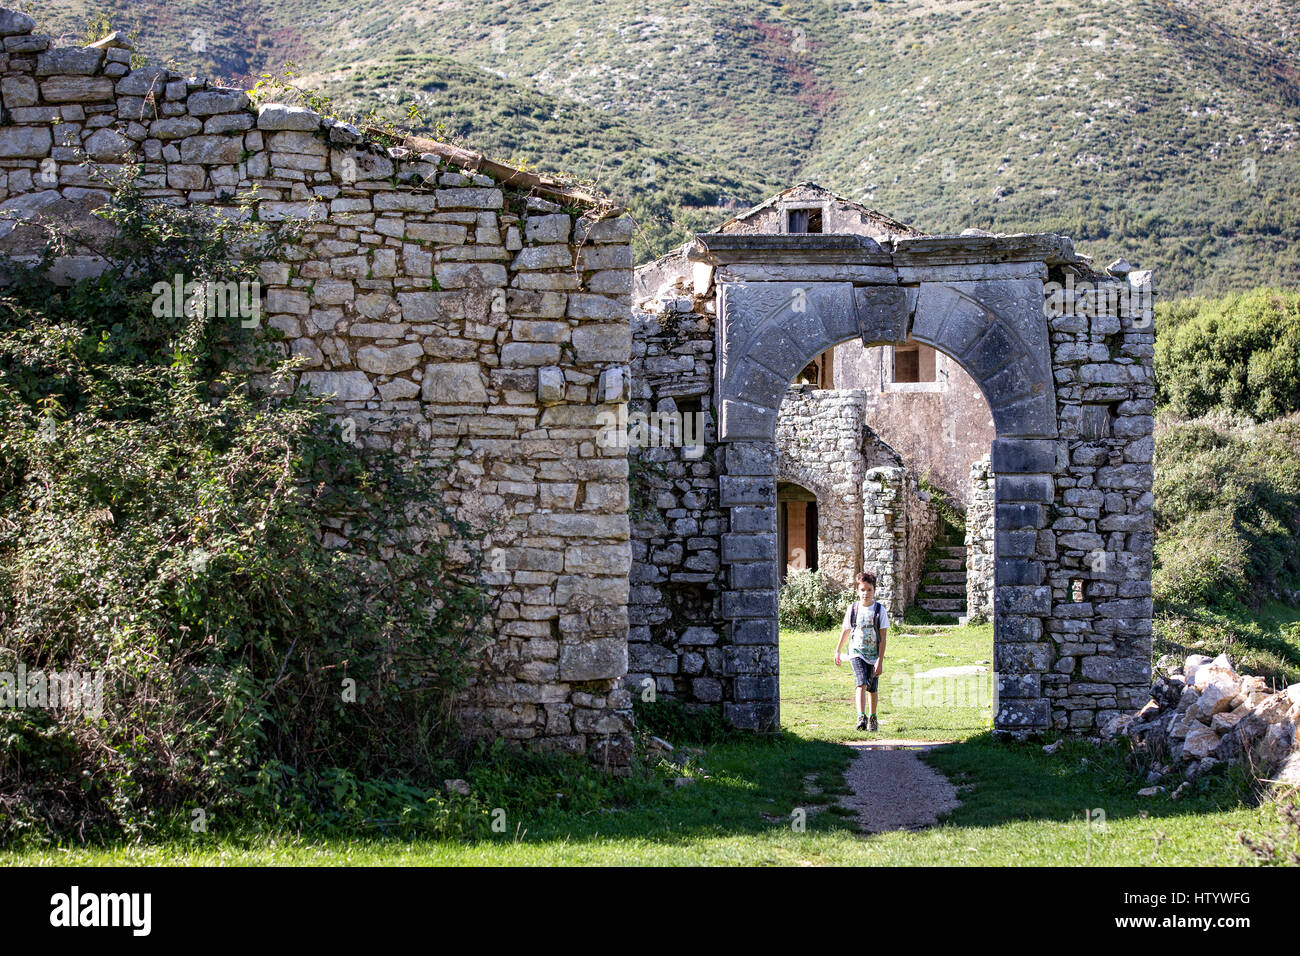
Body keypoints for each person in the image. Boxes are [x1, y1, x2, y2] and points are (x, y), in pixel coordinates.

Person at [833, 571, 889, 732]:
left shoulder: (879, 610)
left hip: (873, 655)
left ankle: (873, 717)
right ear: (857, 591)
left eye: (869, 590)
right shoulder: (853, 609)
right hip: (856, 651)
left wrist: (880, 660)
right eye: (862, 590)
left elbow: (883, 638)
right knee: (861, 682)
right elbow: (846, 630)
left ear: (874, 590)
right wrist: (838, 650)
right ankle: (861, 716)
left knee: (872, 688)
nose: (866, 593)